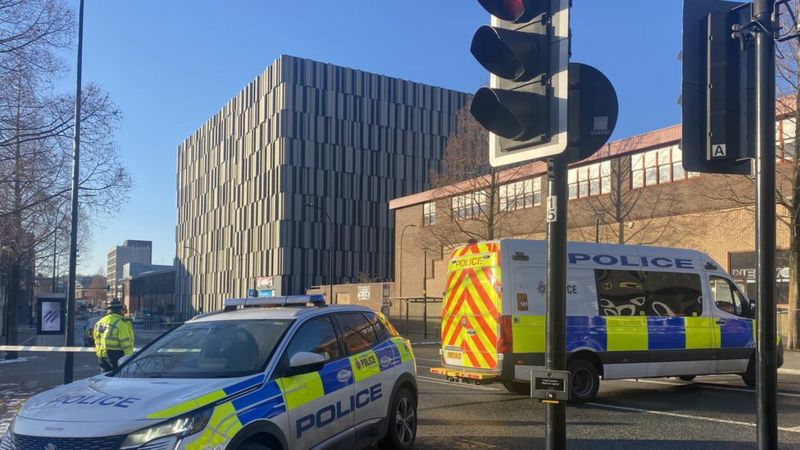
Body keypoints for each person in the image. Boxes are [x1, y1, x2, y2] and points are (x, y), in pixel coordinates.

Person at [94, 299, 134, 371]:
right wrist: (129, 358)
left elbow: (96, 338)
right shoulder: (121, 323)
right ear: (119, 310)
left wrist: (99, 353)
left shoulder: (100, 322)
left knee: (105, 378)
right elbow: (126, 343)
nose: (124, 312)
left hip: (102, 356)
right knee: (117, 379)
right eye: (123, 310)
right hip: (117, 356)